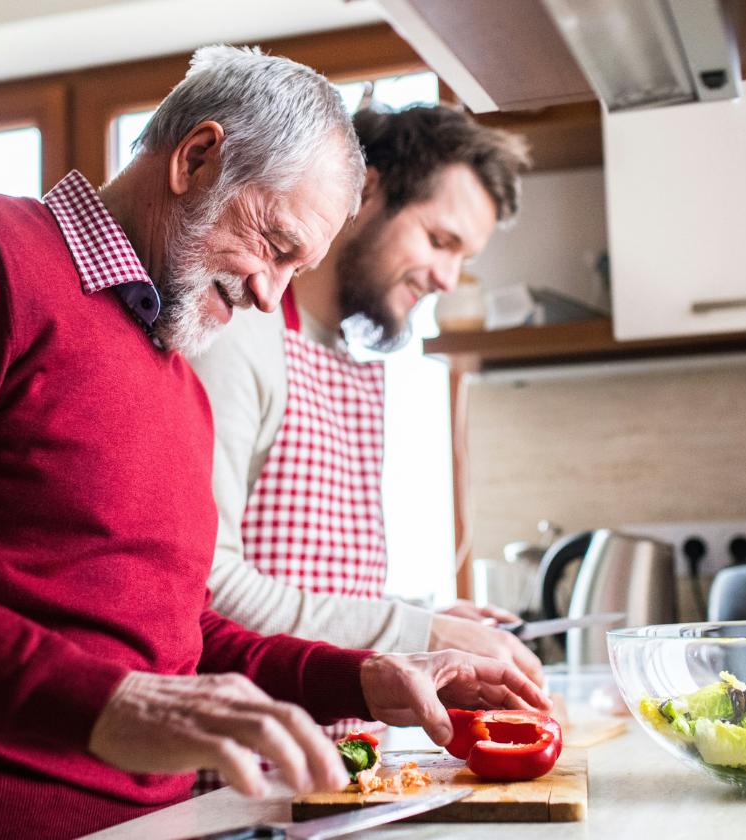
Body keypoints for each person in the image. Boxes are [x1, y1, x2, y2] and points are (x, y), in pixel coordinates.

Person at [0, 47, 547, 840]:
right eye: (274, 244)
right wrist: (105, 706)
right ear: (195, 157)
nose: (269, 294)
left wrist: (362, 678)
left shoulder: (180, 375)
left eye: (297, 269)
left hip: (150, 823)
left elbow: (181, 635)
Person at [191, 106, 540, 717]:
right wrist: (417, 634)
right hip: (245, 759)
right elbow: (209, 588)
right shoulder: (239, 333)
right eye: (439, 240)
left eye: (464, 257)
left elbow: (312, 582)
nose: (448, 278)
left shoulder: (333, 351)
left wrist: (423, 617)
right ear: (366, 192)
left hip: (330, 754)